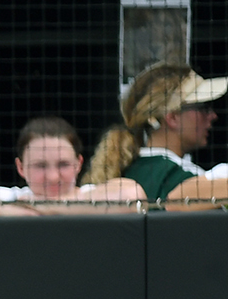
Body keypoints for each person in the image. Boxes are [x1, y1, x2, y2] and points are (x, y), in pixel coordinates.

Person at [0, 117, 142, 216]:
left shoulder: (94, 195)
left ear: (79, 164)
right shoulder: (9, 198)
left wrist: (50, 207)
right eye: (40, 166)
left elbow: (132, 195)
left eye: (63, 164)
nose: (53, 177)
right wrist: (2, 209)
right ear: (20, 168)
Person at [82, 63, 227, 207]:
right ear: (172, 117)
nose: (213, 115)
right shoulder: (188, 179)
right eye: (203, 108)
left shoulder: (119, 171)